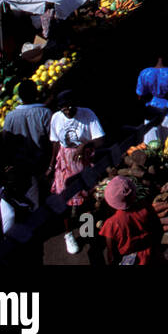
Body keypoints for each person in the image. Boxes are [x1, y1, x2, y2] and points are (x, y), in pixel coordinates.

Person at [49, 93, 105, 254]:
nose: (68, 110)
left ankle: (87, 232)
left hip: (84, 160)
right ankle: (68, 234)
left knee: (86, 198)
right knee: (64, 200)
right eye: (64, 107)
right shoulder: (56, 118)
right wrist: (52, 165)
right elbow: (55, 142)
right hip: (65, 162)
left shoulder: (87, 114)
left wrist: (85, 145)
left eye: (70, 106)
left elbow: (101, 139)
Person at [99, 176, 165, 265]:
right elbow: (159, 230)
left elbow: (112, 256)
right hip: (153, 254)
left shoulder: (111, 224)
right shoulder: (146, 207)